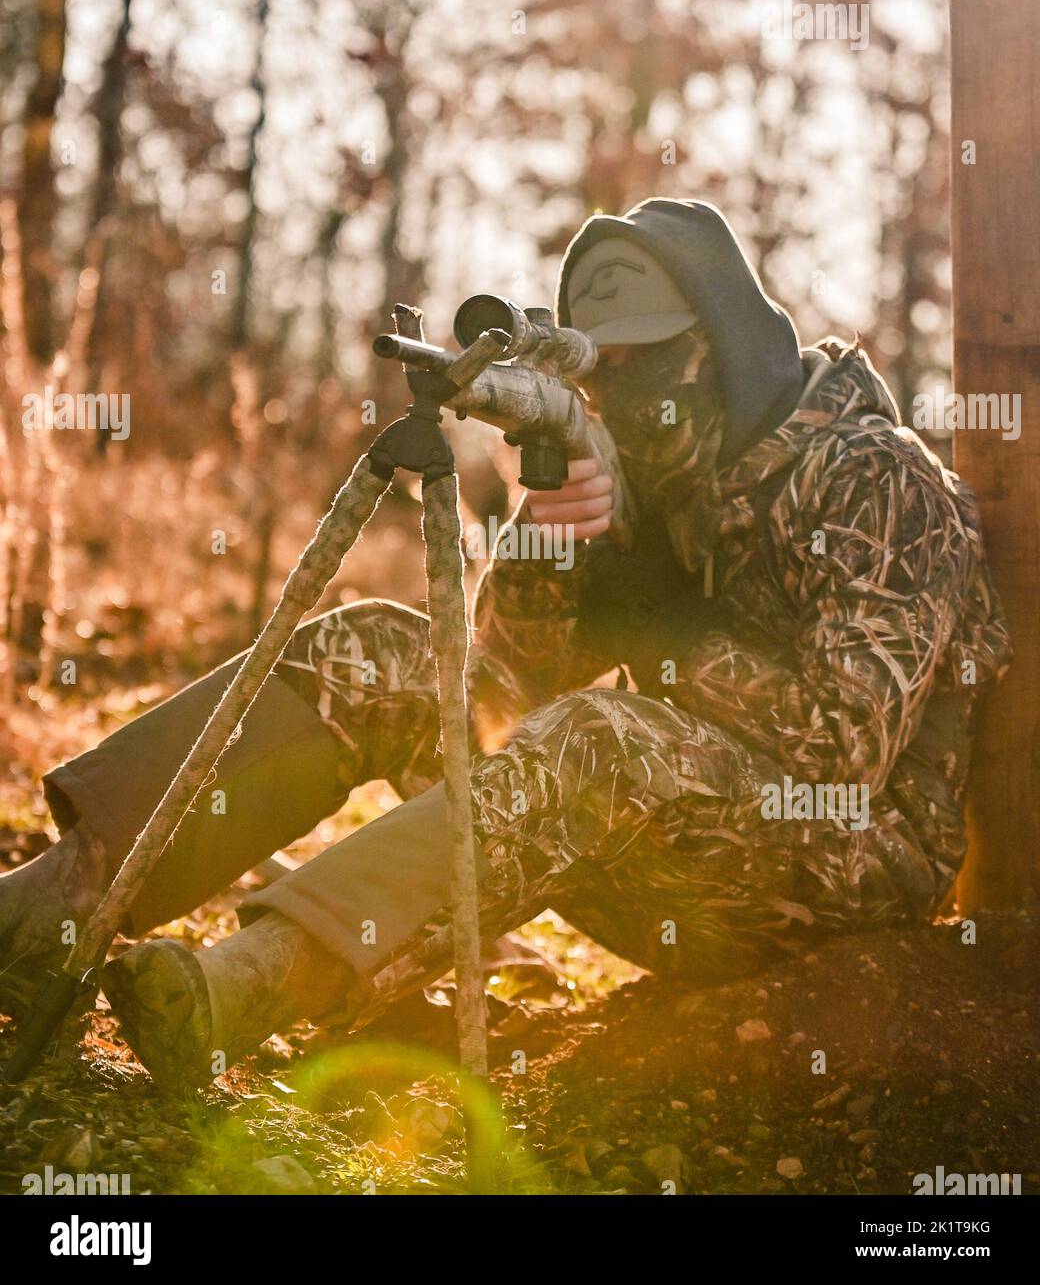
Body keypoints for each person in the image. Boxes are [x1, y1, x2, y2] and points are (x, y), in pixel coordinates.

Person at [0, 199, 1011, 1090]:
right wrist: (545, 538)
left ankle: (250, 986)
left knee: (603, 739)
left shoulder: (873, 480)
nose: (617, 394)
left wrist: (662, 632)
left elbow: (843, 745)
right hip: (663, 833)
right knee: (384, 648)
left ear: (725, 344)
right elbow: (497, 690)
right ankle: (64, 899)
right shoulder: (655, 469)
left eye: (641, 360)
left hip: (851, 863)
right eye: (596, 368)